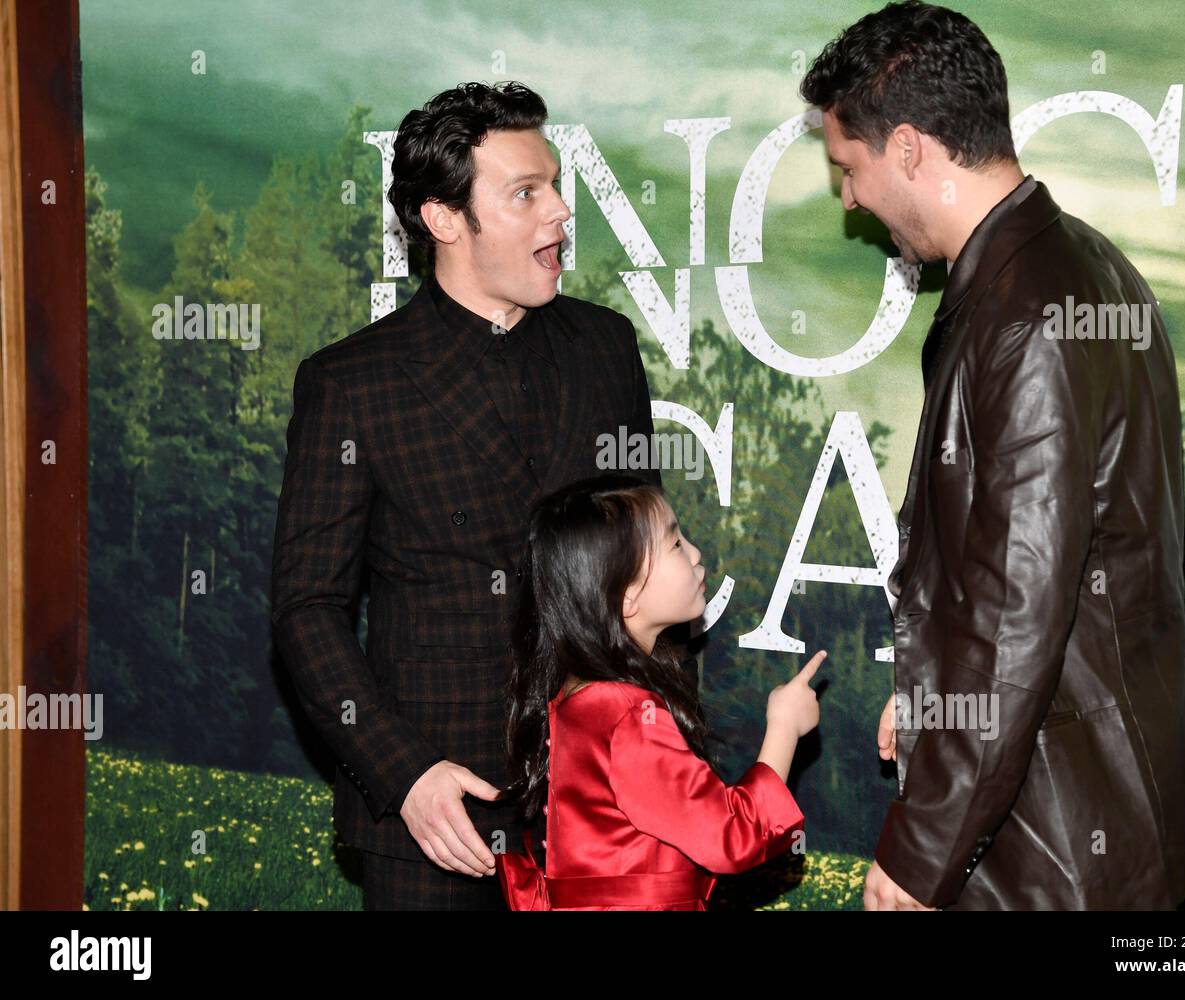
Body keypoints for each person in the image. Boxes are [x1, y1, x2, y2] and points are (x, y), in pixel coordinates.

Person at [800, 1, 1185, 910]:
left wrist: (923, 847)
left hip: (1057, 840)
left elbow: (1017, 615)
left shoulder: (1029, 310)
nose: (848, 198)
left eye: (848, 169)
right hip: (1085, 802)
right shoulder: (1080, 266)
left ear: (907, 149)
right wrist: (934, 703)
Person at [270, 81, 661, 910]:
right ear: (445, 219)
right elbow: (307, 609)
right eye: (527, 193)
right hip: (437, 820)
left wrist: (663, 761)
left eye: (556, 184)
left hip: (601, 812)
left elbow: (646, 571)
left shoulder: (605, 347)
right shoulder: (352, 383)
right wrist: (402, 773)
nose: (561, 212)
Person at [495, 474, 821, 910]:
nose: (696, 552)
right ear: (627, 595)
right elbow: (732, 836)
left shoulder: (580, 698)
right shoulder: (627, 716)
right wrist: (784, 727)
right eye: (675, 544)